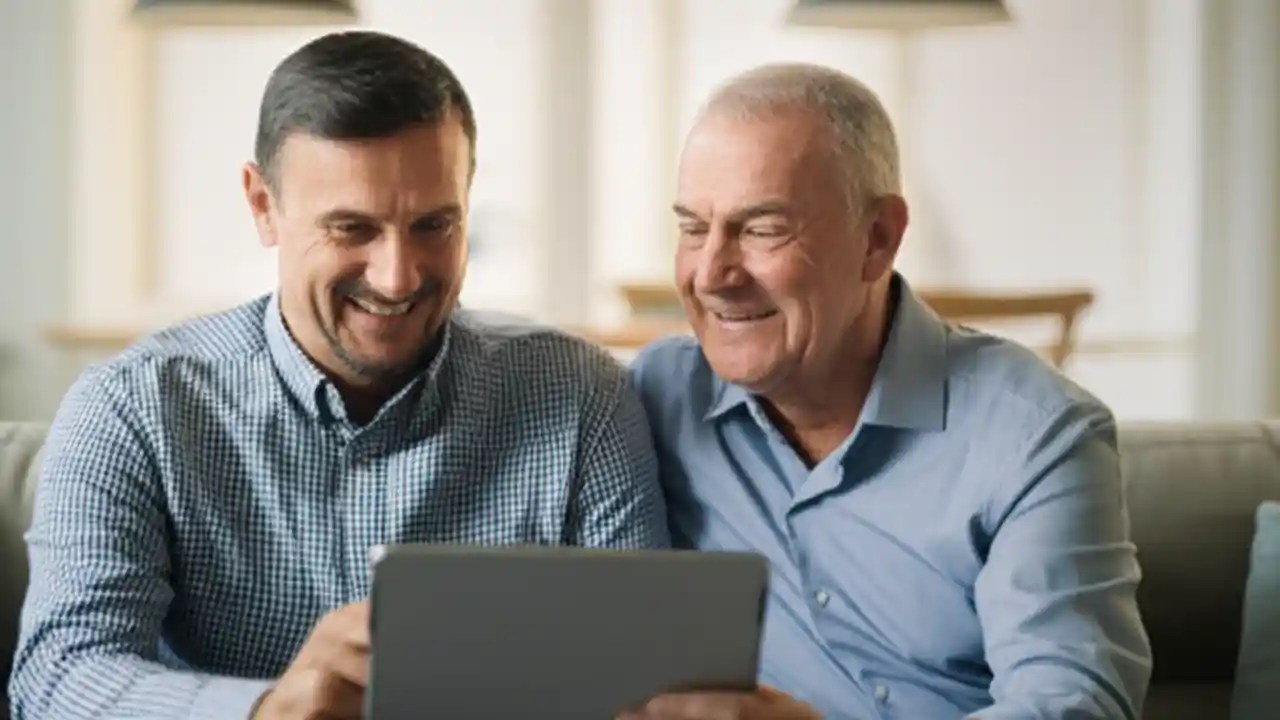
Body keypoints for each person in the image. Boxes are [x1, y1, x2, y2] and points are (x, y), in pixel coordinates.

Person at [10, 31, 668, 720]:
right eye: (352, 229)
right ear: (263, 206)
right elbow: (59, 677)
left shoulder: (582, 395)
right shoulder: (134, 407)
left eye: (434, 225)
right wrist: (267, 711)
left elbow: (647, 676)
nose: (398, 276)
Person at [627, 63, 1152, 719]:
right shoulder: (657, 398)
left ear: (878, 239)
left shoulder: (1036, 435)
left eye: (762, 228)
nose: (712, 275)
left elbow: (1073, 706)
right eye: (694, 228)